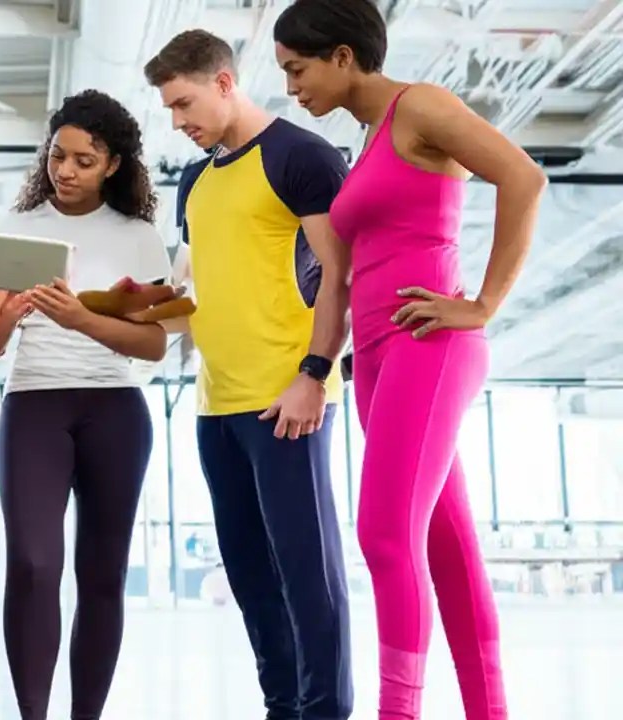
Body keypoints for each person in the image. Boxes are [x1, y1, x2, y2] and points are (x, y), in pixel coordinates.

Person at [273, 2, 544, 717]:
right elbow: (340, 274)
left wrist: (483, 303)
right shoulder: (366, 143)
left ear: (341, 56)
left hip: (430, 349)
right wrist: (316, 363)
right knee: (448, 555)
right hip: (383, 362)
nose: (292, 88)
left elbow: (522, 178)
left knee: (385, 534)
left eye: (297, 70)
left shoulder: (420, 107)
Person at [143, 29, 354, 720]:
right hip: (216, 402)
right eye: (170, 110)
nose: (178, 123)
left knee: (307, 572)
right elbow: (192, 282)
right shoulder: (195, 178)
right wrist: (138, 303)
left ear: (225, 82)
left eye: (184, 104)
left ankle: (326, 710)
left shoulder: (304, 157)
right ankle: (282, 707)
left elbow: (340, 278)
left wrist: (314, 375)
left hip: (286, 394)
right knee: (250, 574)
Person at [0, 89, 173, 720]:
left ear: (113, 164)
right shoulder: (13, 230)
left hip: (116, 409)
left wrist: (79, 316)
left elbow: (153, 344)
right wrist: (9, 314)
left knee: (102, 573)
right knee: (33, 564)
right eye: (58, 155)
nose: (66, 170)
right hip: (34, 403)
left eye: (84, 160)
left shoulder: (141, 236)